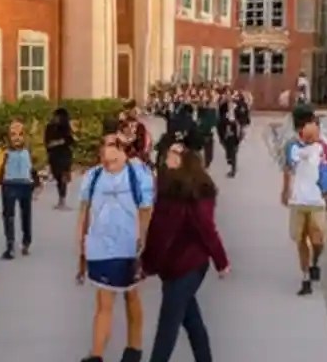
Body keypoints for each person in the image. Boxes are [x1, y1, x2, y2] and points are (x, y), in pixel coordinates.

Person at [142, 140, 230, 362]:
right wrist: (147, 264)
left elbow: (207, 229)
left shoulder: (197, 192)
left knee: (168, 324)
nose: (168, 158)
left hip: (190, 263)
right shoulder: (166, 188)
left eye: (175, 153)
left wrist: (221, 261)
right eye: (168, 153)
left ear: (186, 160)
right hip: (169, 265)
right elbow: (157, 231)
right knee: (191, 320)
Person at [77, 133, 155, 362]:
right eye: (104, 148)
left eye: (112, 147)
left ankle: (134, 349)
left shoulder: (138, 175)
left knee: (132, 296)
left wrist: (145, 244)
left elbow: (146, 211)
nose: (106, 154)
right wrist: (81, 248)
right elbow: (84, 212)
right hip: (100, 248)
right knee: (104, 302)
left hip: (130, 248)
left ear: (123, 151)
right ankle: (96, 355)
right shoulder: (93, 177)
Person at [281, 105, 327, 294]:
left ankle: (315, 260)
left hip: (317, 199)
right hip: (298, 199)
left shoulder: (322, 145)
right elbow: (288, 167)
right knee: (300, 238)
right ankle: (305, 276)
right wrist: (285, 190)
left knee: (318, 239)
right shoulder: (292, 145)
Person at [0, 120, 40, 259]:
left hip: (25, 184)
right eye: (13, 134)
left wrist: (36, 184)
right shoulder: (5, 152)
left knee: (26, 214)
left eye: (20, 134)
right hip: (9, 184)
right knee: (8, 215)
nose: (17, 138)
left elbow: (33, 168)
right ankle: (10, 245)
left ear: (24, 136)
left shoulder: (28, 151)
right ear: (8, 136)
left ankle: (26, 241)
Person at [44, 107, 76, 209]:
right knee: (58, 178)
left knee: (63, 178)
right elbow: (47, 142)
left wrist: (60, 142)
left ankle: (62, 200)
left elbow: (71, 141)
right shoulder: (49, 127)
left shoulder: (66, 128)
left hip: (65, 156)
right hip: (54, 156)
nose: (56, 118)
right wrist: (58, 142)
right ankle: (61, 199)